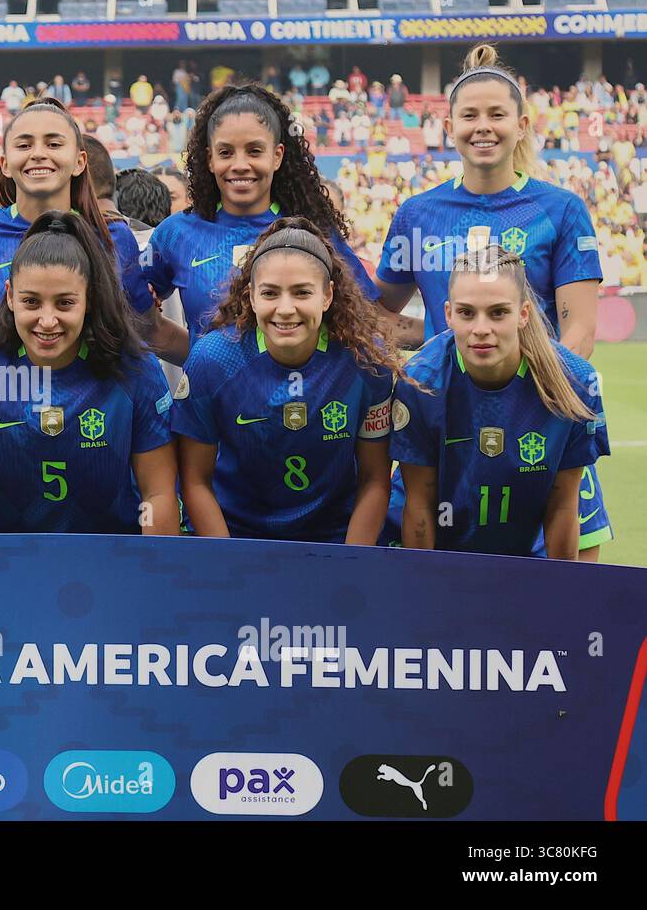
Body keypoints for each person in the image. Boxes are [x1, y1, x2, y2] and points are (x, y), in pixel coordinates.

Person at [374, 43, 612, 560]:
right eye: (470, 115)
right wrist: (427, 352)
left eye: (498, 115)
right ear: (449, 126)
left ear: (522, 125)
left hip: (540, 428)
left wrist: (532, 412)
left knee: (562, 611)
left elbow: (579, 335)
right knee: (434, 598)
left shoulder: (561, 209)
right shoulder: (417, 214)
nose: (484, 126)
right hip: (447, 429)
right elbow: (381, 317)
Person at [0, 211, 178, 535]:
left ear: (89, 299)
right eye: (31, 302)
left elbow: (157, 494)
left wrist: (148, 570)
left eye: (64, 303)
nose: (47, 321)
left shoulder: (135, 368)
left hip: (112, 561)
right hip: (5, 561)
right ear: (9, 296)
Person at [173, 219, 406, 543]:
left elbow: (374, 479)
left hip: (334, 538)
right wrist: (228, 561)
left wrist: (353, 562)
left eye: (301, 292)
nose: (285, 309)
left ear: (326, 296)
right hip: (237, 536)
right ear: (251, 296)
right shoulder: (212, 360)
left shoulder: (365, 361)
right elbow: (195, 480)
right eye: (270, 293)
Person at [143, 84, 410, 352]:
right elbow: (136, 318)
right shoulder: (175, 233)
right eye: (226, 152)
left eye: (254, 151)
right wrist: (197, 361)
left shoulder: (313, 230)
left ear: (277, 156)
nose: (240, 164)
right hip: (207, 395)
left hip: (302, 395)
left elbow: (371, 319)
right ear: (210, 159)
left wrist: (444, 333)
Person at [393, 247, 608, 559]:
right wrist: (424, 585)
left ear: (523, 314)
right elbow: (420, 504)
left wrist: (562, 596)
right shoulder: (419, 383)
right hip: (439, 548)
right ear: (449, 314)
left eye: (498, 312)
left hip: (522, 551)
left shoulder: (575, 383)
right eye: (467, 313)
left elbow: (562, 507)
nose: (481, 328)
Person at [0, 98, 155, 341]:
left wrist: (199, 354)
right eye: (24, 145)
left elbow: (150, 330)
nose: (38, 154)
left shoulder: (113, 238)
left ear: (79, 162)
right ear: (5, 164)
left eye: (54, 144)